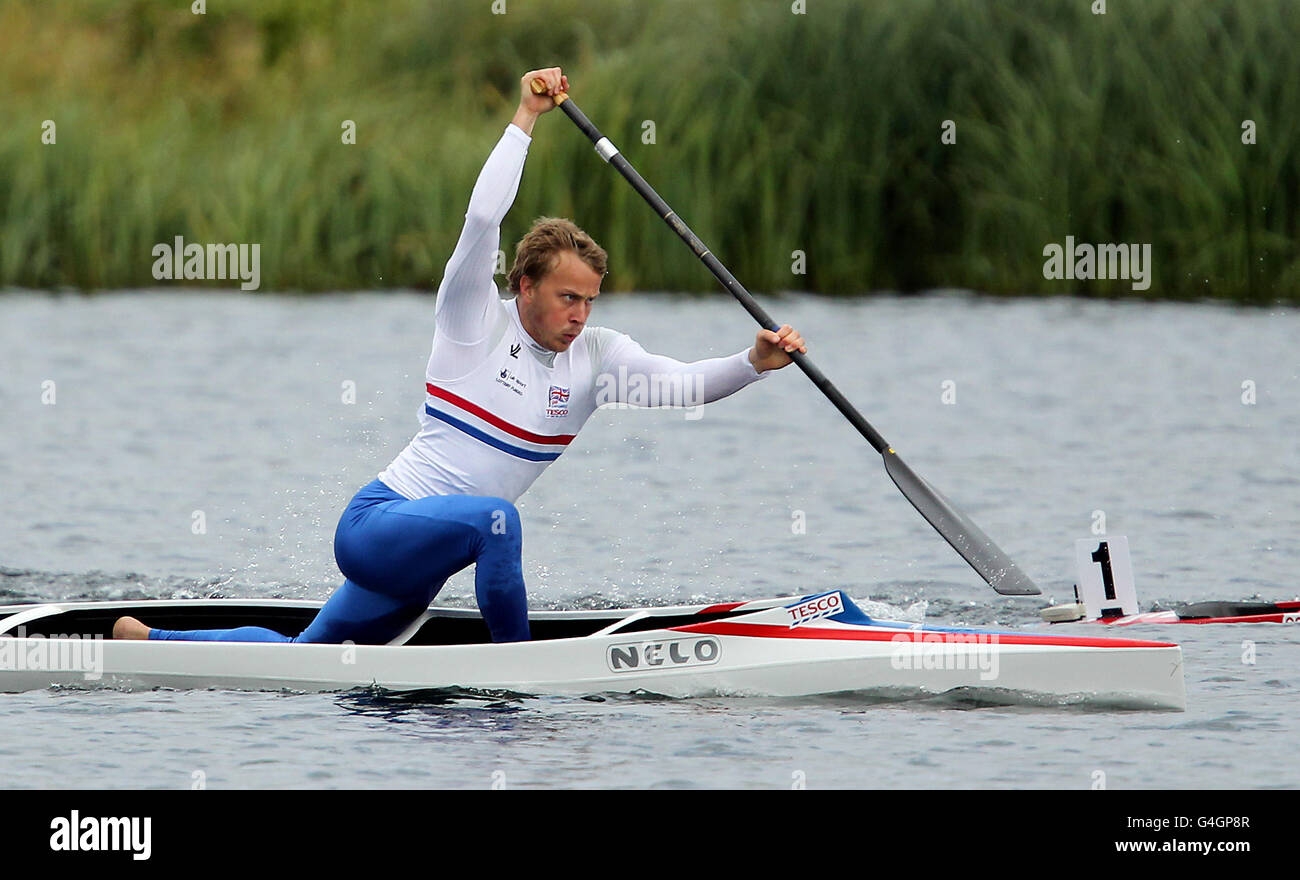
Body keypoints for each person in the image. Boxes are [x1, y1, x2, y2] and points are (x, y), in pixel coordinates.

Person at [113, 67, 807, 646]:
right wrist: (526, 118)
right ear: (525, 283)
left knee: (309, 658)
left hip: (427, 559)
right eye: (568, 297)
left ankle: (145, 644)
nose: (581, 315)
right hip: (377, 527)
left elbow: (684, 386)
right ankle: (517, 672)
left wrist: (752, 362)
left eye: (590, 300)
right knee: (498, 520)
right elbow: (482, 221)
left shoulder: (598, 357)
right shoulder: (470, 321)